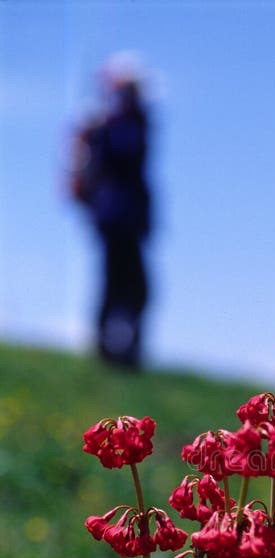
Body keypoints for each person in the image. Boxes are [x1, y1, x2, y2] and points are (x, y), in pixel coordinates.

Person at [70, 56, 152, 368]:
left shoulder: (113, 121)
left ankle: (118, 348)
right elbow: (124, 151)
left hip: (120, 215)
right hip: (117, 214)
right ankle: (112, 351)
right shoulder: (117, 123)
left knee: (127, 286)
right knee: (123, 285)